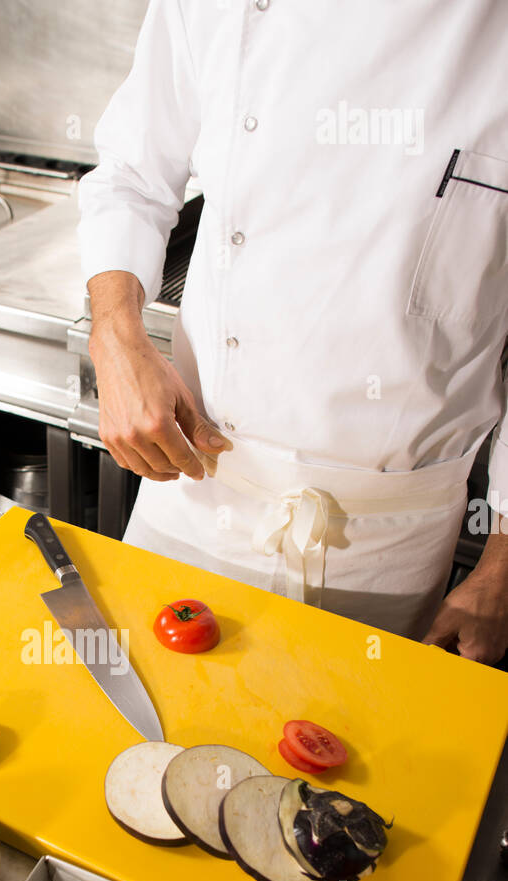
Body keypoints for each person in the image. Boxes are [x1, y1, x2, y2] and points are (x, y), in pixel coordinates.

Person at [78, 0, 508, 662]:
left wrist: (503, 568)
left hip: (388, 545)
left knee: (348, 756)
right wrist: (114, 337)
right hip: (195, 484)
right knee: (137, 739)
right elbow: (132, 175)